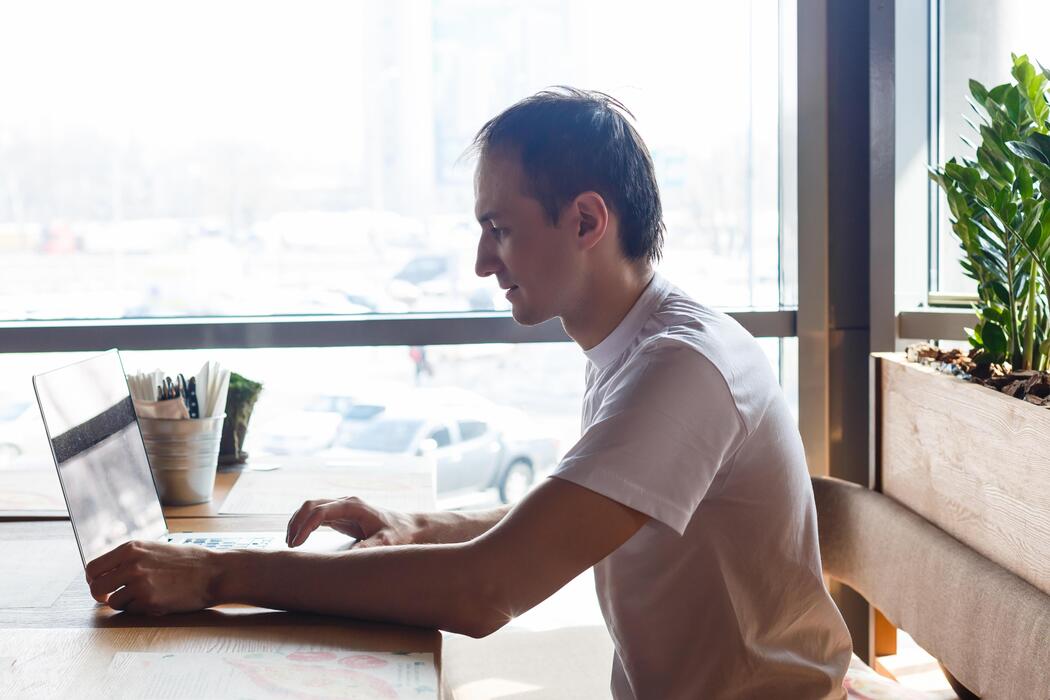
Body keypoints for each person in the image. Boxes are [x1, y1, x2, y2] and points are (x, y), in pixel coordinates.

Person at [86, 88, 853, 699]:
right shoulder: (635, 343)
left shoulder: (682, 368)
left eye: (500, 228)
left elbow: (486, 591)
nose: (484, 262)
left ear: (587, 220)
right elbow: (570, 516)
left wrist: (218, 575)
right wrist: (416, 525)